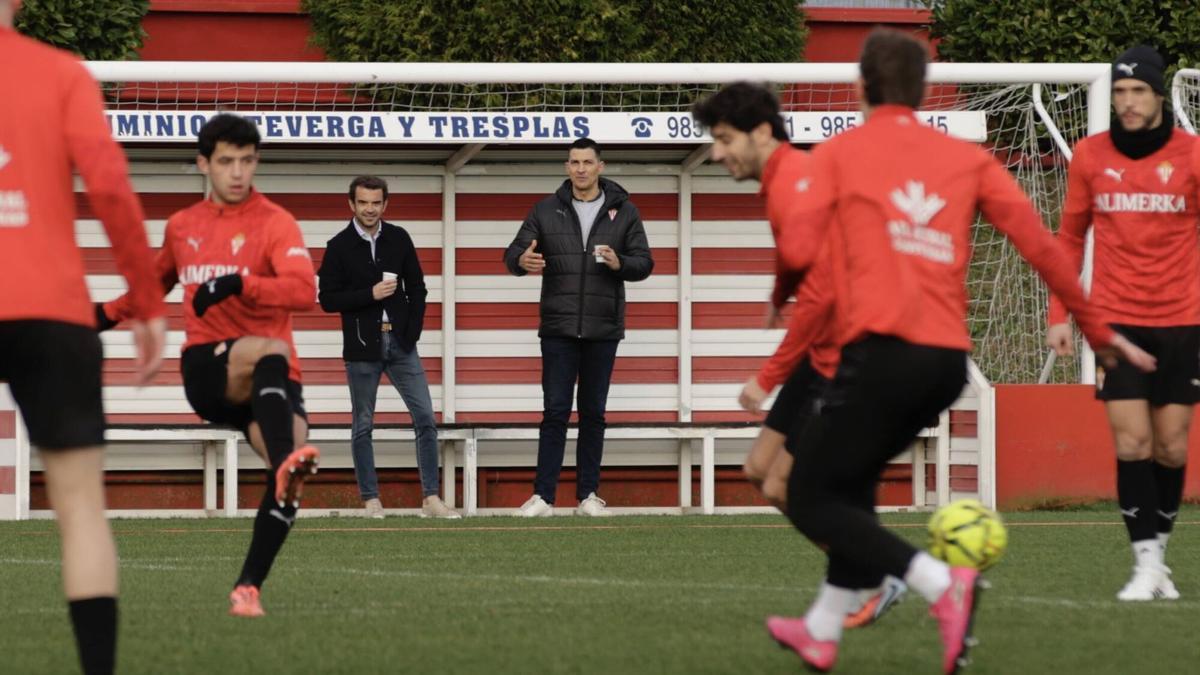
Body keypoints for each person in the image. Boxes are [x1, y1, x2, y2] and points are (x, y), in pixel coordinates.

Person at [764, 29, 1156, 673]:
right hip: (945, 366)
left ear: (861, 88)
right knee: (849, 486)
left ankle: (940, 583)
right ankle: (822, 629)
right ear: (923, 93)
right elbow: (1046, 252)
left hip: (881, 356)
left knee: (809, 492)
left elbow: (800, 248)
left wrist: (781, 292)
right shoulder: (968, 161)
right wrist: (1100, 332)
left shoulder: (839, 153)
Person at [694, 81, 906, 631]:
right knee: (761, 473)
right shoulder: (782, 179)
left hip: (842, 353)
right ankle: (872, 571)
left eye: (722, 140)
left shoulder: (795, 184)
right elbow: (802, 262)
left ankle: (886, 572)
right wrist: (776, 297)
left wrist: (765, 377)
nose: (716, 154)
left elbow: (823, 296)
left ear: (762, 132)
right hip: (821, 349)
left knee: (796, 486)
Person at [98, 114, 320, 618]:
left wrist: (242, 283)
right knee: (273, 355)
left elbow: (305, 290)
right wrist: (101, 316)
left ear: (256, 162)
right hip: (208, 369)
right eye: (225, 161)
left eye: (246, 161)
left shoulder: (276, 222)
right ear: (204, 164)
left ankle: (247, 590)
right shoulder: (184, 226)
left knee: (291, 476)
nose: (237, 172)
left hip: (270, 381)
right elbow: (152, 287)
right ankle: (285, 456)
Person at [0, 2, 167, 673]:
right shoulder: (61, 73)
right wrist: (147, 303)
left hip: (51, 306)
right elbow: (110, 187)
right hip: (53, 310)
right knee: (79, 507)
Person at [1046, 45, 1200, 601]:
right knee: (1132, 442)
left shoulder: (1193, 155)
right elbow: (1069, 238)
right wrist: (1059, 312)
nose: (1128, 102)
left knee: (1172, 448)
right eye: (1120, 92)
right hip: (1115, 322)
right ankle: (1146, 563)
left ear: (1159, 95)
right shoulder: (1090, 156)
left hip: (1184, 321)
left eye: (1138, 91)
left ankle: (1160, 556)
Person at [503, 137, 654, 516]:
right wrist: (523, 261)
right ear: (567, 166)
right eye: (574, 162)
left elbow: (644, 263)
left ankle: (588, 495)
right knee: (554, 411)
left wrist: (621, 263)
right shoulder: (546, 209)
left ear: (600, 166)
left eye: (588, 162)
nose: (581, 169)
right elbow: (511, 256)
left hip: (603, 329)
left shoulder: (625, 211)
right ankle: (543, 496)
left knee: (593, 413)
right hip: (558, 326)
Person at [317, 175, 458, 519]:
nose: (369, 208)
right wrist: (370, 295)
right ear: (351, 204)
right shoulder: (338, 246)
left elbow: (418, 288)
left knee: (425, 416)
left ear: (385, 204)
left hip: (401, 344)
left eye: (376, 202)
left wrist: (411, 333)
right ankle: (371, 500)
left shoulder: (399, 238)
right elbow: (327, 299)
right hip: (361, 347)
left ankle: (431, 499)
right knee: (363, 424)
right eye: (363, 202)